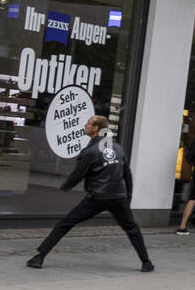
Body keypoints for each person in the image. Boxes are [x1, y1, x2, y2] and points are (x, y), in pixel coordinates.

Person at [27, 116, 153, 272]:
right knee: (132, 228)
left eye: (88, 123)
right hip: (118, 197)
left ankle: (39, 257)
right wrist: (128, 196)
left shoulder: (91, 151)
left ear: (95, 129)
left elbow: (77, 175)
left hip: (97, 198)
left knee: (65, 223)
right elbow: (127, 175)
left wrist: (64, 188)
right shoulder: (118, 148)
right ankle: (146, 262)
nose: (85, 125)